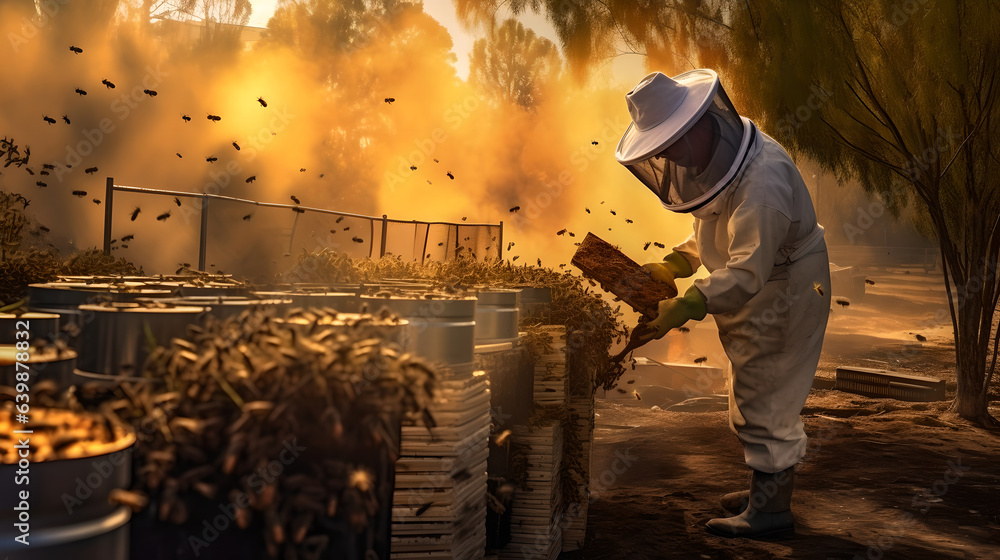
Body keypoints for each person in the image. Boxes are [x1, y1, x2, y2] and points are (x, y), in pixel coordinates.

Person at [614, 70, 831, 538]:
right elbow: (714, 220)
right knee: (749, 388)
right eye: (659, 148)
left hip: (788, 285)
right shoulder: (716, 160)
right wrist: (678, 261)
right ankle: (764, 491)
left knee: (767, 395)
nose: (667, 157)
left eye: (670, 143)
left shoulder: (764, 181)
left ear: (697, 125)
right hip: (766, 278)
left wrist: (688, 303)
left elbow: (748, 269)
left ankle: (772, 511)